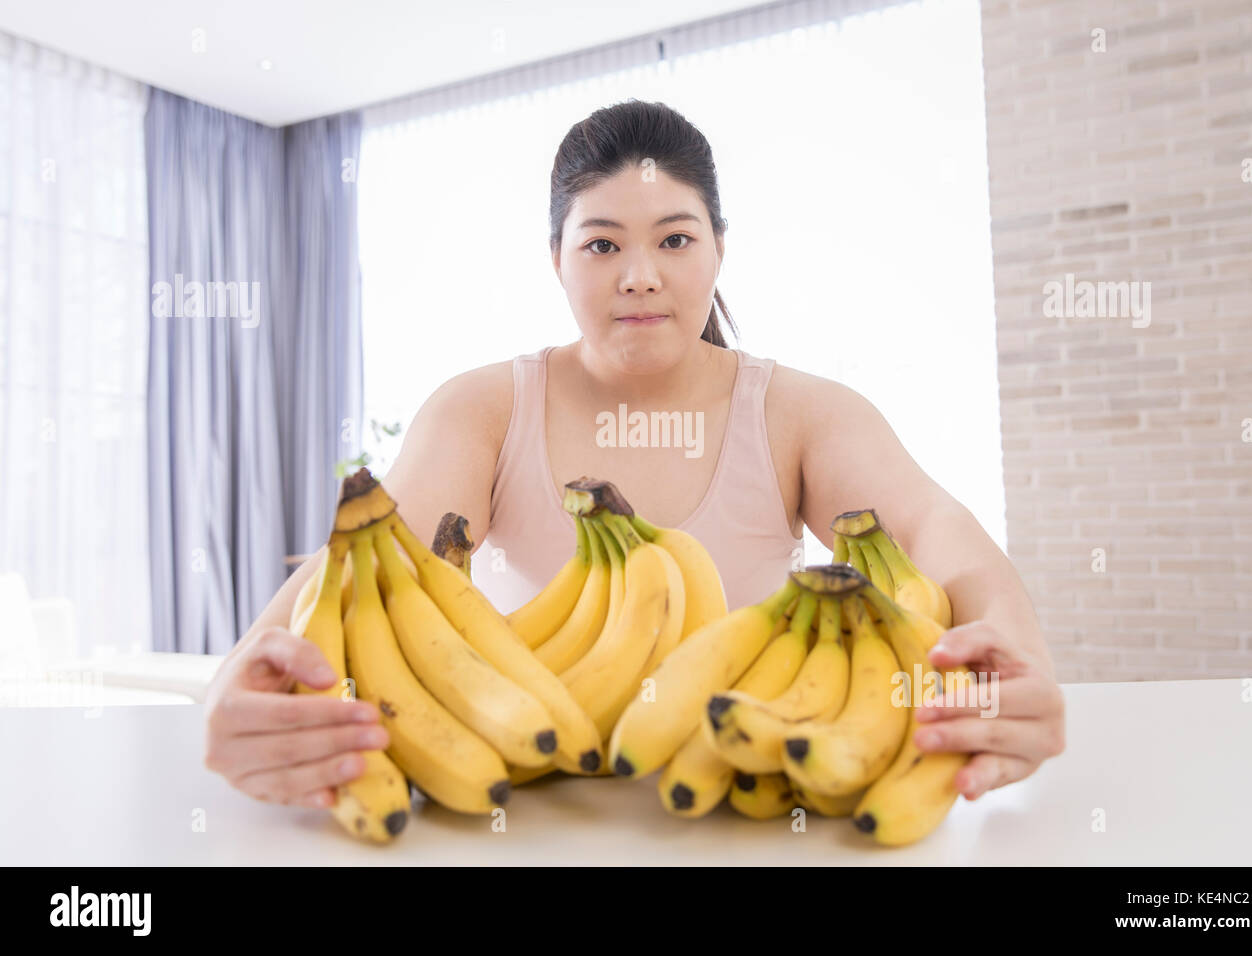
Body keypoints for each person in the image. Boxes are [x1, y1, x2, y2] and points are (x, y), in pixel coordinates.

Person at [204, 99, 1065, 813]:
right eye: (603, 243)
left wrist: (1014, 659)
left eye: (676, 240)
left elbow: (931, 526)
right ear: (557, 260)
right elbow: (367, 568)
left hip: (753, 811)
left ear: (719, 248)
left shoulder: (799, 412)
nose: (640, 275)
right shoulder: (486, 408)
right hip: (531, 812)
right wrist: (239, 683)